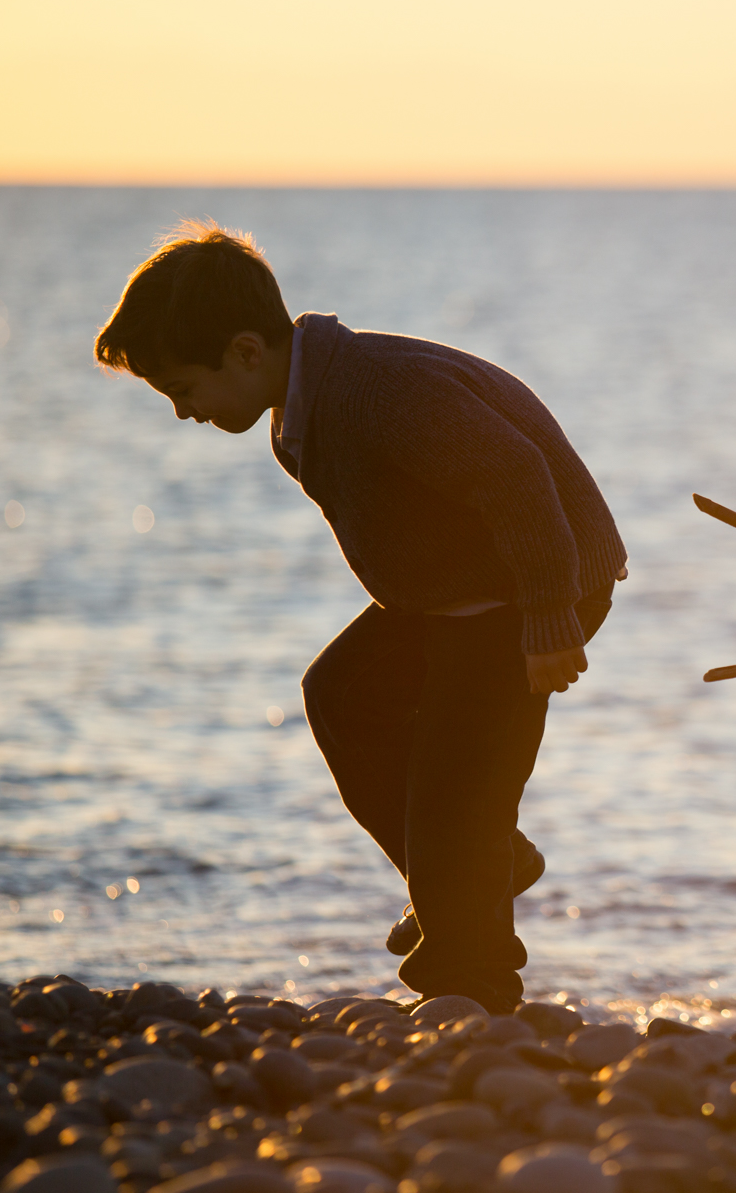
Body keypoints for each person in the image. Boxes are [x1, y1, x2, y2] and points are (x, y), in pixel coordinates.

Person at [94, 223, 626, 1013]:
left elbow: (516, 476)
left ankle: (468, 987)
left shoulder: (379, 391)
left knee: (458, 789)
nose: (183, 413)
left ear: (245, 351)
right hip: (451, 596)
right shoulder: (302, 406)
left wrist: (549, 621)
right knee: (343, 697)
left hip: (529, 588)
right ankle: (482, 866)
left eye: (184, 390)